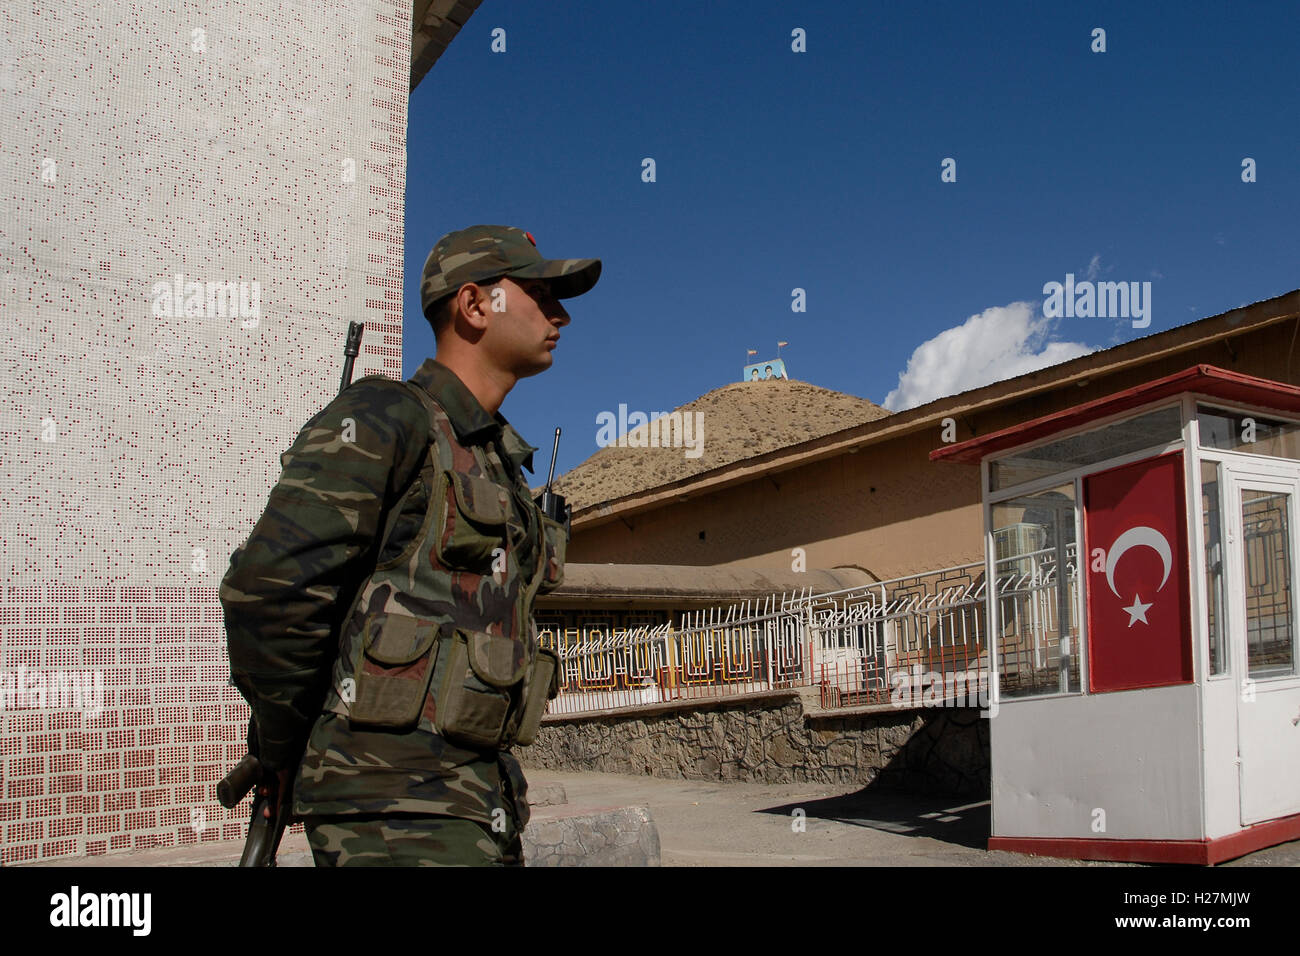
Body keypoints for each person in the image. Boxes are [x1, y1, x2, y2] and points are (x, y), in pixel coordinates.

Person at [219, 224, 601, 866]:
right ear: (475, 305)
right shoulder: (388, 417)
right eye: (539, 291)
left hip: (475, 801)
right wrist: (284, 743)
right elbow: (272, 589)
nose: (559, 312)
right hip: (391, 809)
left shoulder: (494, 459)